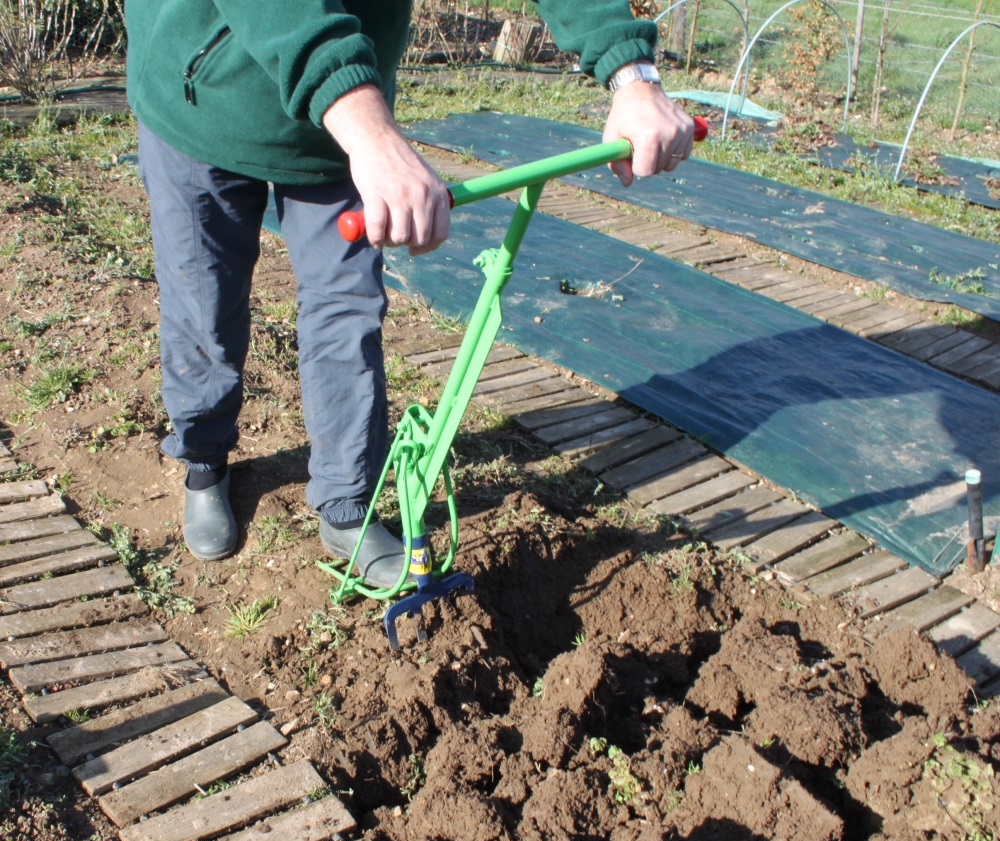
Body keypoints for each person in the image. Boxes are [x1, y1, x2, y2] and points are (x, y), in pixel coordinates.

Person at [124, 1, 695, 588]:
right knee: (204, 300)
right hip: (201, 99)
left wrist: (632, 73)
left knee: (348, 307)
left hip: (334, 133)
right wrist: (368, 127)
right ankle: (203, 459)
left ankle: (348, 505)